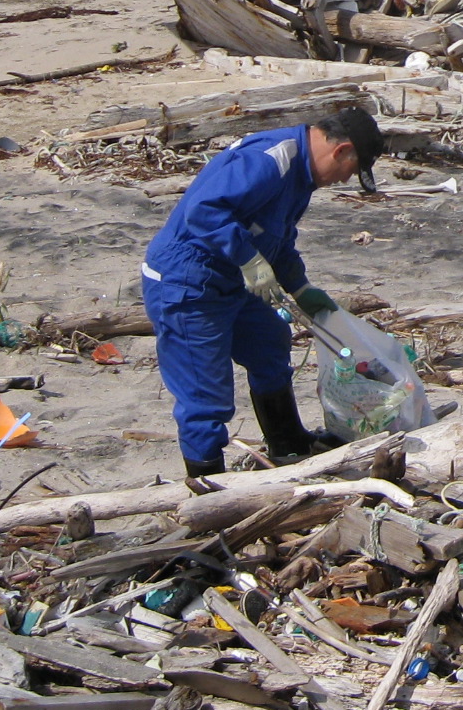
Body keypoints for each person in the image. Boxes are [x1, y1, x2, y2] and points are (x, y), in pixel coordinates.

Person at [142, 105, 385, 475]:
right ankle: (206, 482)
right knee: (205, 394)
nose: (343, 180)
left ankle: (288, 445)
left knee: (270, 342)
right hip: (188, 282)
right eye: (350, 171)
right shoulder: (270, 161)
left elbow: (277, 237)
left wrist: (299, 287)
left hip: (228, 280)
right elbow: (203, 212)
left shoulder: (302, 175)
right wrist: (248, 260)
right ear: (341, 150)